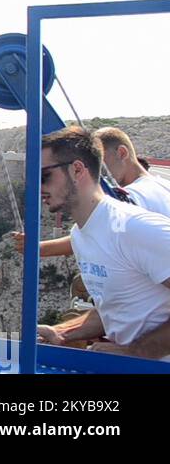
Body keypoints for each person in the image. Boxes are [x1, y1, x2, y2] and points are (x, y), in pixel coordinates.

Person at [34, 127, 170, 360]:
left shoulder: (134, 227)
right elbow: (117, 307)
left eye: (43, 176)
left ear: (77, 170)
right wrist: (62, 332)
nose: (37, 188)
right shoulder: (80, 235)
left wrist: (139, 352)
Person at [12, 126, 170, 257]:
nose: (94, 168)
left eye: (99, 160)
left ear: (122, 153)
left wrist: (39, 248)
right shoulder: (162, 185)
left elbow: (102, 233)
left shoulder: (131, 197)